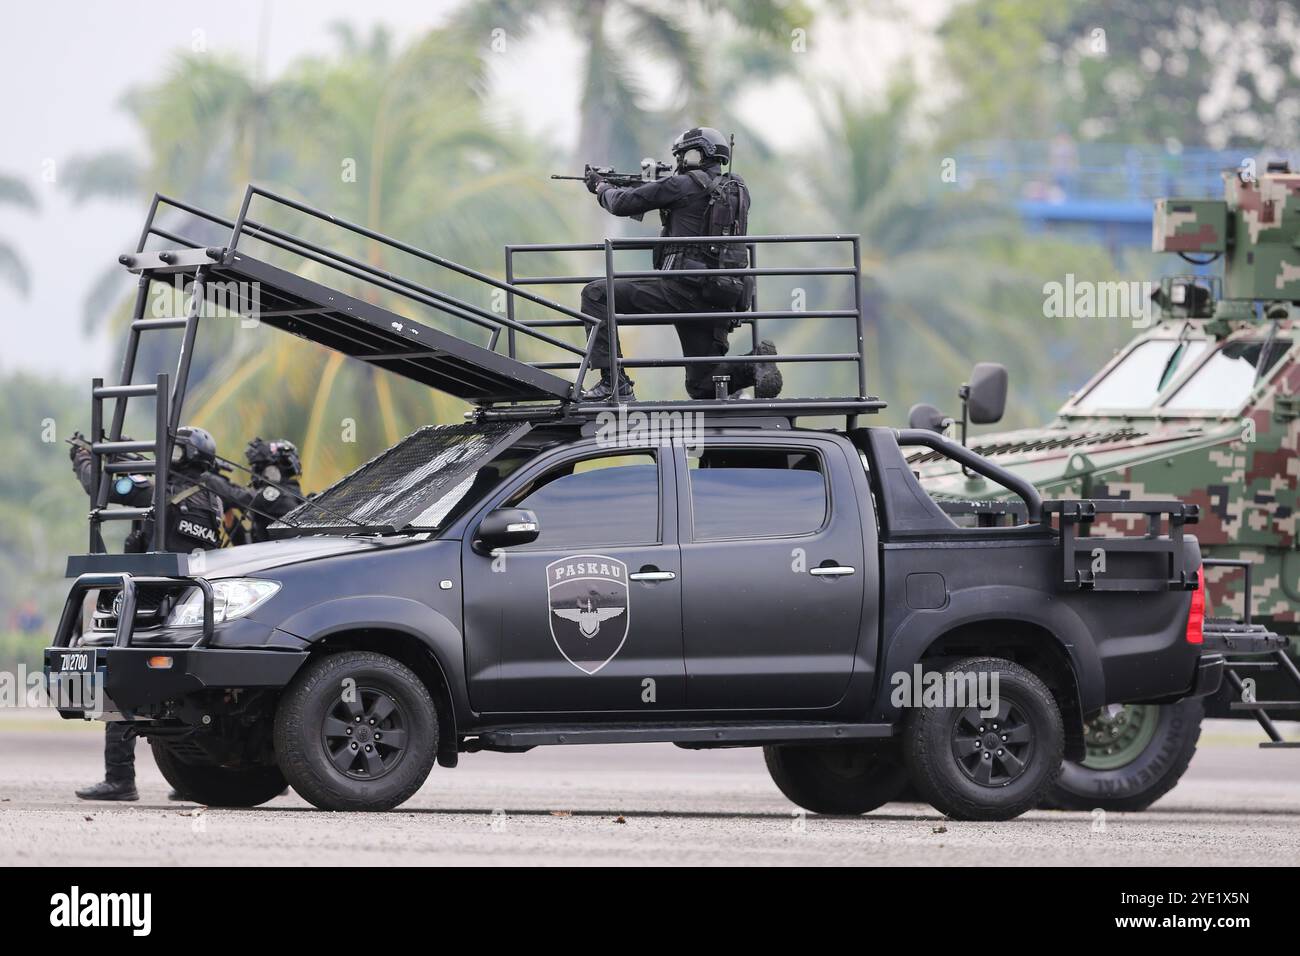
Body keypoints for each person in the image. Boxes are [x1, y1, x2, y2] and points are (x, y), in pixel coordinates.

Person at [69, 425, 225, 802]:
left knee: (119, 681)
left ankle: (120, 778)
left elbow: (103, 488)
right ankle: (197, 778)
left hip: (150, 604)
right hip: (190, 609)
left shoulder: (164, 492)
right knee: (187, 696)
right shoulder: (213, 499)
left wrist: (84, 458)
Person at [579, 126, 782, 402]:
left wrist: (602, 188)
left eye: (683, 156)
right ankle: (754, 364)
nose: (679, 162)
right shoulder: (736, 190)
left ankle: (614, 383)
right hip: (719, 297)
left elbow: (623, 204)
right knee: (702, 385)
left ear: (697, 155)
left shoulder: (683, 185)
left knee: (596, 294)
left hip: (682, 291)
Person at [202, 437, 306, 544]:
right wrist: (228, 510)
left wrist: (206, 475)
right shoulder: (290, 497)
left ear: (272, 470)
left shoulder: (277, 497)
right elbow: (248, 546)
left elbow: (237, 496)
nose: (254, 473)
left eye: (258, 467)